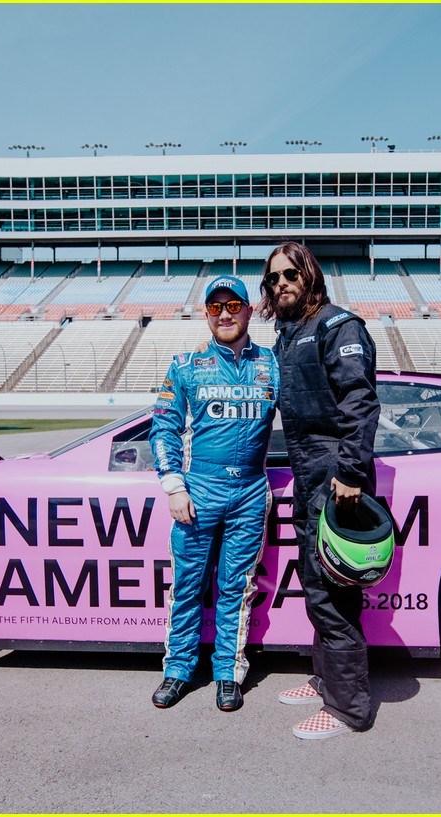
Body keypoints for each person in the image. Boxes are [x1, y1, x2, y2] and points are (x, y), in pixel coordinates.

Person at [258, 241, 381, 740]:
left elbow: (360, 402)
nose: (281, 283)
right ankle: (326, 677)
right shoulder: (287, 336)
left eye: (290, 274)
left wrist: (350, 473)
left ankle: (348, 708)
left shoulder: (338, 326)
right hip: (309, 476)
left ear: (309, 275)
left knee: (333, 597)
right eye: (272, 279)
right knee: (317, 588)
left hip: (336, 481)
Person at [148, 274, 279, 712]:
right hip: (198, 490)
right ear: (206, 314)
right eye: (215, 308)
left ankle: (228, 672)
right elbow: (164, 426)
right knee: (187, 585)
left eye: (233, 305)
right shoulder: (185, 364)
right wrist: (173, 485)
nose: (225, 314)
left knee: (236, 588)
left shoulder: (273, 365)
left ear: (249, 309)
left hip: (250, 489)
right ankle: (178, 670)